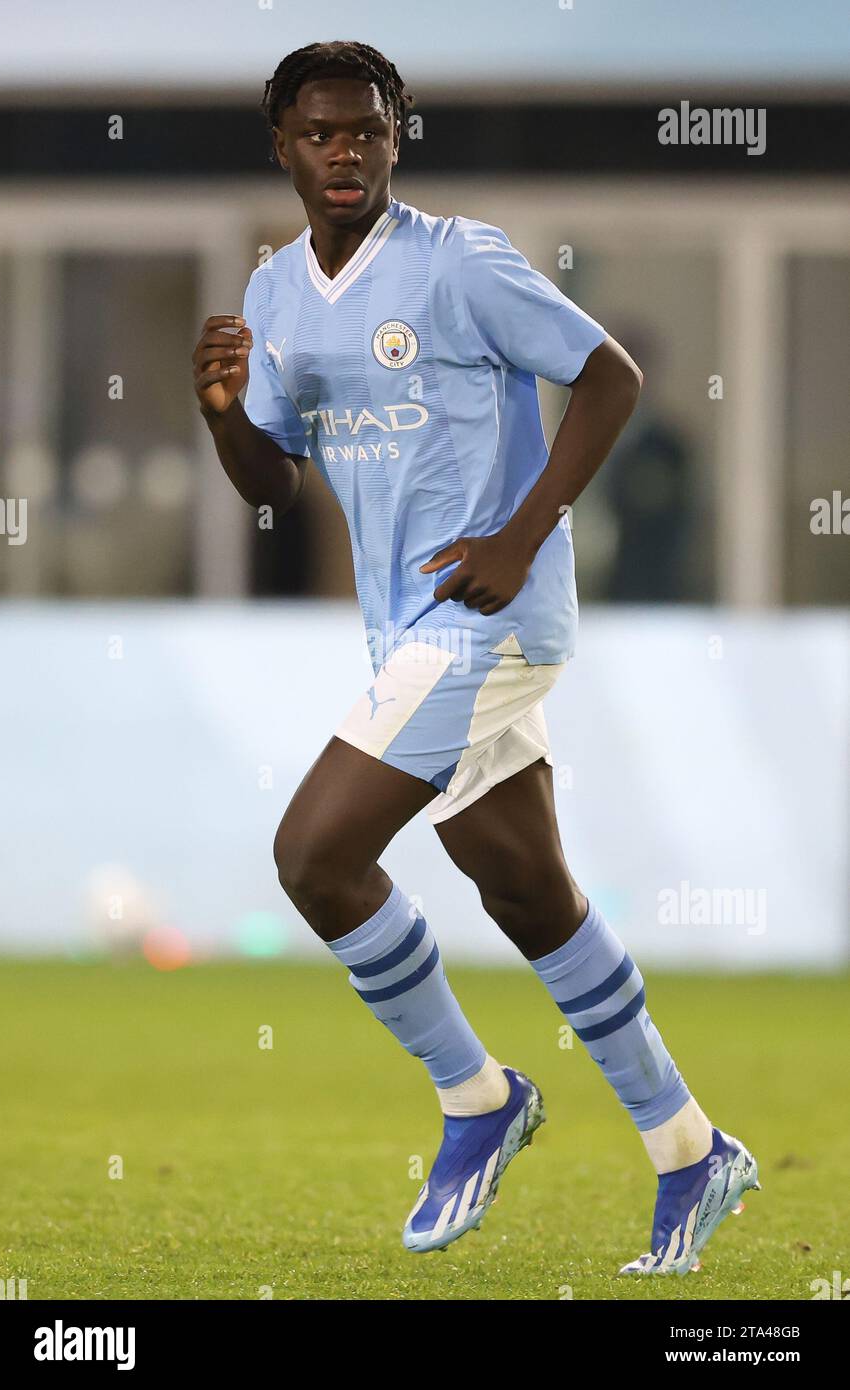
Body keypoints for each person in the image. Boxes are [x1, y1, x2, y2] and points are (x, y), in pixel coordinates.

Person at [191, 40, 759, 1274]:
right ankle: (687, 1145)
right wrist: (227, 416)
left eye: (368, 131)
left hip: (492, 614)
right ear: (281, 146)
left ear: (398, 135)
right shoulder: (277, 292)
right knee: (526, 891)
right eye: (321, 134)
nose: (347, 153)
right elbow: (273, 484)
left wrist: (522, 527)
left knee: (314, 854)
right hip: (408, 629)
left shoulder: (462, 261)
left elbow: (608, 376)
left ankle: (475, 1098)